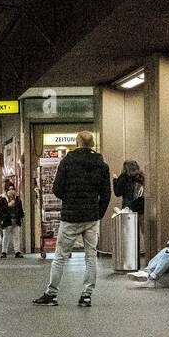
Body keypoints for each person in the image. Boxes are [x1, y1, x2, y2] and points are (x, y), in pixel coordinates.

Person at [33, 131, 111, 307]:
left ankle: (51, 294)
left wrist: (69, 198)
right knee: (91, 257)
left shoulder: (67, 161)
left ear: (77, 143)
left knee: (60, 256)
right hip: (91, 217)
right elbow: (106, 194)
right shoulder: (102, 165)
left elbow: (57, 189)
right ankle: (86, 295)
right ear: (92, 144)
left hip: (70, 216)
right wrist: (98, 213)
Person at [0, 186, 25, 257]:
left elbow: (20, 209)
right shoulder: (3, 199)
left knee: (16, 236)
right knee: (5, 237)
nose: (11, 191)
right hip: (7, 221)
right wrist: (8, 205)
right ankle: (4, 252)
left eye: (13, 189)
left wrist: (20, 216)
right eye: (9, 189)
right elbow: (1, 210)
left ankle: (17, 252)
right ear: (6, 191)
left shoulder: (18, 199)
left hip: (16, 220)